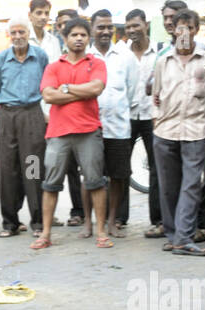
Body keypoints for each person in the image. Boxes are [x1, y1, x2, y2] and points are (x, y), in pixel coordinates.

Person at [32, 17, 111, 248]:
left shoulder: (96, 64)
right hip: (58, 132)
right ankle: (45, 234)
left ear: (89, 38)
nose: (78, 38)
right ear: (65, 39)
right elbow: (48, 95)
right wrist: (81, 92)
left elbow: (96, 88)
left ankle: (101, 232)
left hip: (89, 131)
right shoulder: (54, 66)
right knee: (50, 183)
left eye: (83, 35)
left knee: (95, 181)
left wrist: (64, 88)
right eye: (74, 35)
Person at [150, 9, 205, 256]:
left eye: (189, 28)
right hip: (165, 131)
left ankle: (183, 238)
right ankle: (173, 235)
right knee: (168, 187)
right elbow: (156, 95)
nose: (184, 33)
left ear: (196, 30)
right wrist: (156, 123)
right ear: (174, 30)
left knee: (191, 185)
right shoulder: (163, 61)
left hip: (195, 132)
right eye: (180, 28)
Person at [0, 18, 49, 237]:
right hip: (7, 116)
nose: (18, 36)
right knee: (7, 170)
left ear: (28, 33)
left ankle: (37, 221)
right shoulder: (0, 59)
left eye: (22, 32)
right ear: (9, 35)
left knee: (33, 167)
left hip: (32, 115)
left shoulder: (40, 56)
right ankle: (10, 223)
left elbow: (46, 84)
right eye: (14, 32)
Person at [85, 10, 136, 238]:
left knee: (118, 176)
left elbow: (132, 92)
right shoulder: (84, 56)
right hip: (89, 128)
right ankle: (89, 222)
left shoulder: (125, 56)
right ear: (92, 29)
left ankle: (113, 221)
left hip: (118, 128)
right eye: (100, 27)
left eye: (109, 27)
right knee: (90, 176)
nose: (105, 31)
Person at [121, 10, 163, 232]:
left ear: (146, 25)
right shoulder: (121, 53)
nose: (132, 30)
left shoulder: (160, 51)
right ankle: (119, 218)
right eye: (128, 27)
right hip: (126, 116)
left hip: (152, 117)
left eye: (136, 25)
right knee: (120, 168)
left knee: (156, 169)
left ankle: (158, 220)